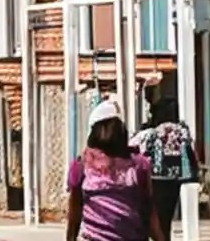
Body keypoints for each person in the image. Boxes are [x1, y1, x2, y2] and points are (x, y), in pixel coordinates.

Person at [66, 99, 165, 241]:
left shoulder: (82, 164)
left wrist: (70, 238)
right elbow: (148, 211)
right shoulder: (138, 165)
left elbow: (74, 213)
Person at [130, 97, 199, 238]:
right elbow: (190, 152)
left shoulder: (152, 132)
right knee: (167, 217)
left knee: (153, 215)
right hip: (176, 178)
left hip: (155, 178)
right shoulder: (182, 131)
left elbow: (133, 146)